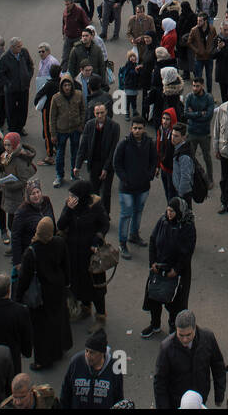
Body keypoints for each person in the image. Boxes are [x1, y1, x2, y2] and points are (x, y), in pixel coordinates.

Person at [15, 216, 75, 370]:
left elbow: (24, 278)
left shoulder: (32, 252)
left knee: (41, 329)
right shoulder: (59, 242)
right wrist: (67, 283)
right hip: (58, 289)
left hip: (41, 295)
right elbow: (66, 264)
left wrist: (18, 297)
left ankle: (43, 360)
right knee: (58, 320)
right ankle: (59, 349)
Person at [58, 180, 111, 325]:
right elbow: (61, 225)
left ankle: (100, 316)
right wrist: (68, 210)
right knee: (79, 283)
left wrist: (97, 239)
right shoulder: (70, 206)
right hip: (74, 254)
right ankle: (85, 308)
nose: (70, 198)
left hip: (91, 255)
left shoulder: (95, 207)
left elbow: (104, 224)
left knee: (96, 286)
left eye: (73, 195)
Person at [143, 198, 197, 337]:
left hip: (177, 273)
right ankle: (154, 325)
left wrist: (176, 270)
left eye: (172, 211)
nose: (169, 214)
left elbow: (187, 252)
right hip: (159, 269)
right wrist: (152, 263)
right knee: (154, 297)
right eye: (168, 210)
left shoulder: (187, 226)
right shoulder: (162, 221)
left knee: (175, 303)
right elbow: (153, 240)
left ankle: (174, 328)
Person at [153, 309, 226, 409]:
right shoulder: (167, 348)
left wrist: (219, 394)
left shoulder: (208, 338)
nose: (185, 339)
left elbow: (218, 365)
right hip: (177, 401)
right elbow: (160, 382)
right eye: (181, 335)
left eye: (188, 335)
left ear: (194, 328)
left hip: (200, 397)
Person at [113, 118, 159, 259]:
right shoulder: (124, 144)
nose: (137, 131)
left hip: (143, 186)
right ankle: (122, 242)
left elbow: (154, 160)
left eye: (140, 128)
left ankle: (134, 235)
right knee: (126, 214)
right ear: (131, 129)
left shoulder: (149, 143)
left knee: (138, 211)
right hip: (127, 188)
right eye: (135, 128)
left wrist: (150, 175)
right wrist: (125, 179)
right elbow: (117, 163)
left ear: (144, 129)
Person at [60, 330, 124, 409]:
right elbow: (66, 392)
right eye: (86, 351)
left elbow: (118, 397)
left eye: (92, 352)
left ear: (102, 353)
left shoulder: (114, 367)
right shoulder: (76, 362)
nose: (88, 355)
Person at [78, 102, 122, 210]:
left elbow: (113, 149)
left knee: (106, 193)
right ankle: (95, 214)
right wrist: (77, 165)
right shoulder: (89, 125)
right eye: (97, 113)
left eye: (102, 113)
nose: (100, 116)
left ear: (106, 112)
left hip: (108, 164)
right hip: (94, 163)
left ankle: (106, 215)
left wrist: (106, 168)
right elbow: (83, 145)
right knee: (94, 192)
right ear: (94, 113)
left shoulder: (114, 126)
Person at [10, 178, 55, 271]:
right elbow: (15, 236)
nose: (36, 195)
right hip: (32, 249)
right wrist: (17, 261)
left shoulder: (46, 201)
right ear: (28, 196)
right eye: (33, 194)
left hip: (49, 246)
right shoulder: (22, 212)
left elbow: (52, 221)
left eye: (38, 192)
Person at [0, 37, 35, 134]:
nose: (20, 48)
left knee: (23, 109)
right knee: (11, 110)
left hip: (24, 88)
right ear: (12, 47)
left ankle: (20, 127)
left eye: (21, 46)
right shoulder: (4, 58)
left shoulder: (24, 52)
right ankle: (13, 129)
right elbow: (0, 74)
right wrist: (9, 84)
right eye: (18, 47)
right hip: (11, 91)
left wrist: (28, 76)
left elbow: (30, 65)